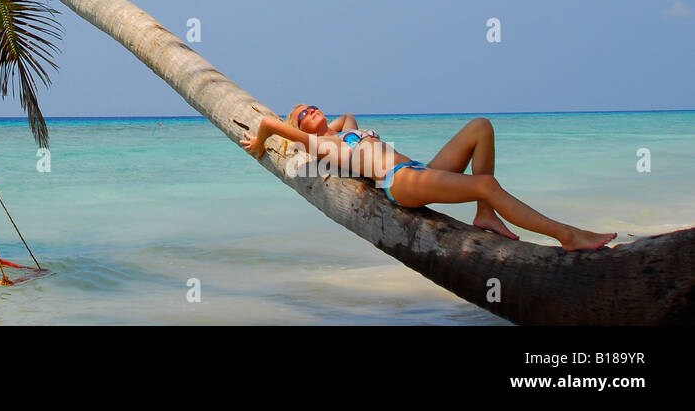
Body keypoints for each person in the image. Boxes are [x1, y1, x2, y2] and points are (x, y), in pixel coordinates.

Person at [240, 104, 615, 251]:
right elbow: (270, 123)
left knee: (481, 126)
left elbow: (346, 116)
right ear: (299, 129)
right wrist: (260, 141)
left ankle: (485, 213)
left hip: (421, 169)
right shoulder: (321, 146)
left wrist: (330, 126)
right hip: (400, 181)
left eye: (313, 106)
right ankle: (566, 235)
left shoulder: (345, 132)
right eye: (303, 114)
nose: (311, 111)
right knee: (485, 184)